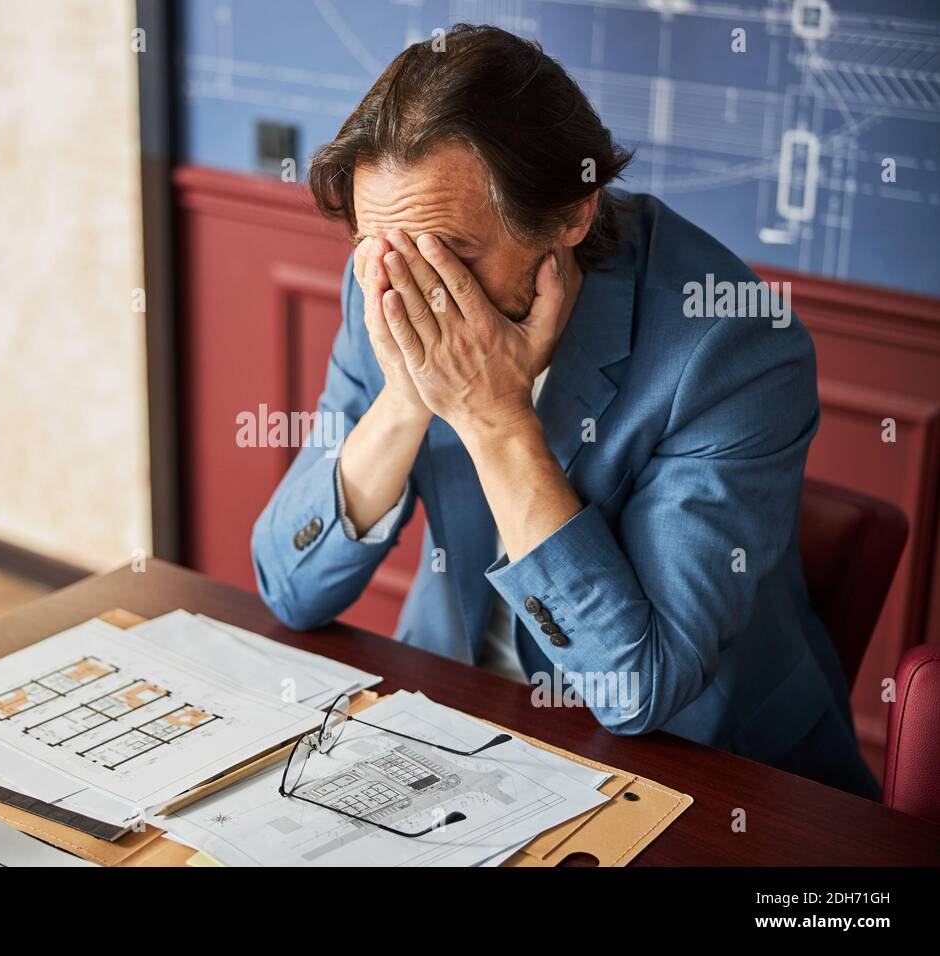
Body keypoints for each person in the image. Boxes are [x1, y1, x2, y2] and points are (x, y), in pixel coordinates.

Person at [250, 24, 878, 798]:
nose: (416, 291)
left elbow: (636, 689)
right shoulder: (385, 280)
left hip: (706, 772)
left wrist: (494, 419)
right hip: (458, 709)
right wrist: (409, 394)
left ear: (573, 215)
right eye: (386, 249)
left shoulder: (735, 346)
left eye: (451, 252)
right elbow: (289, 585)